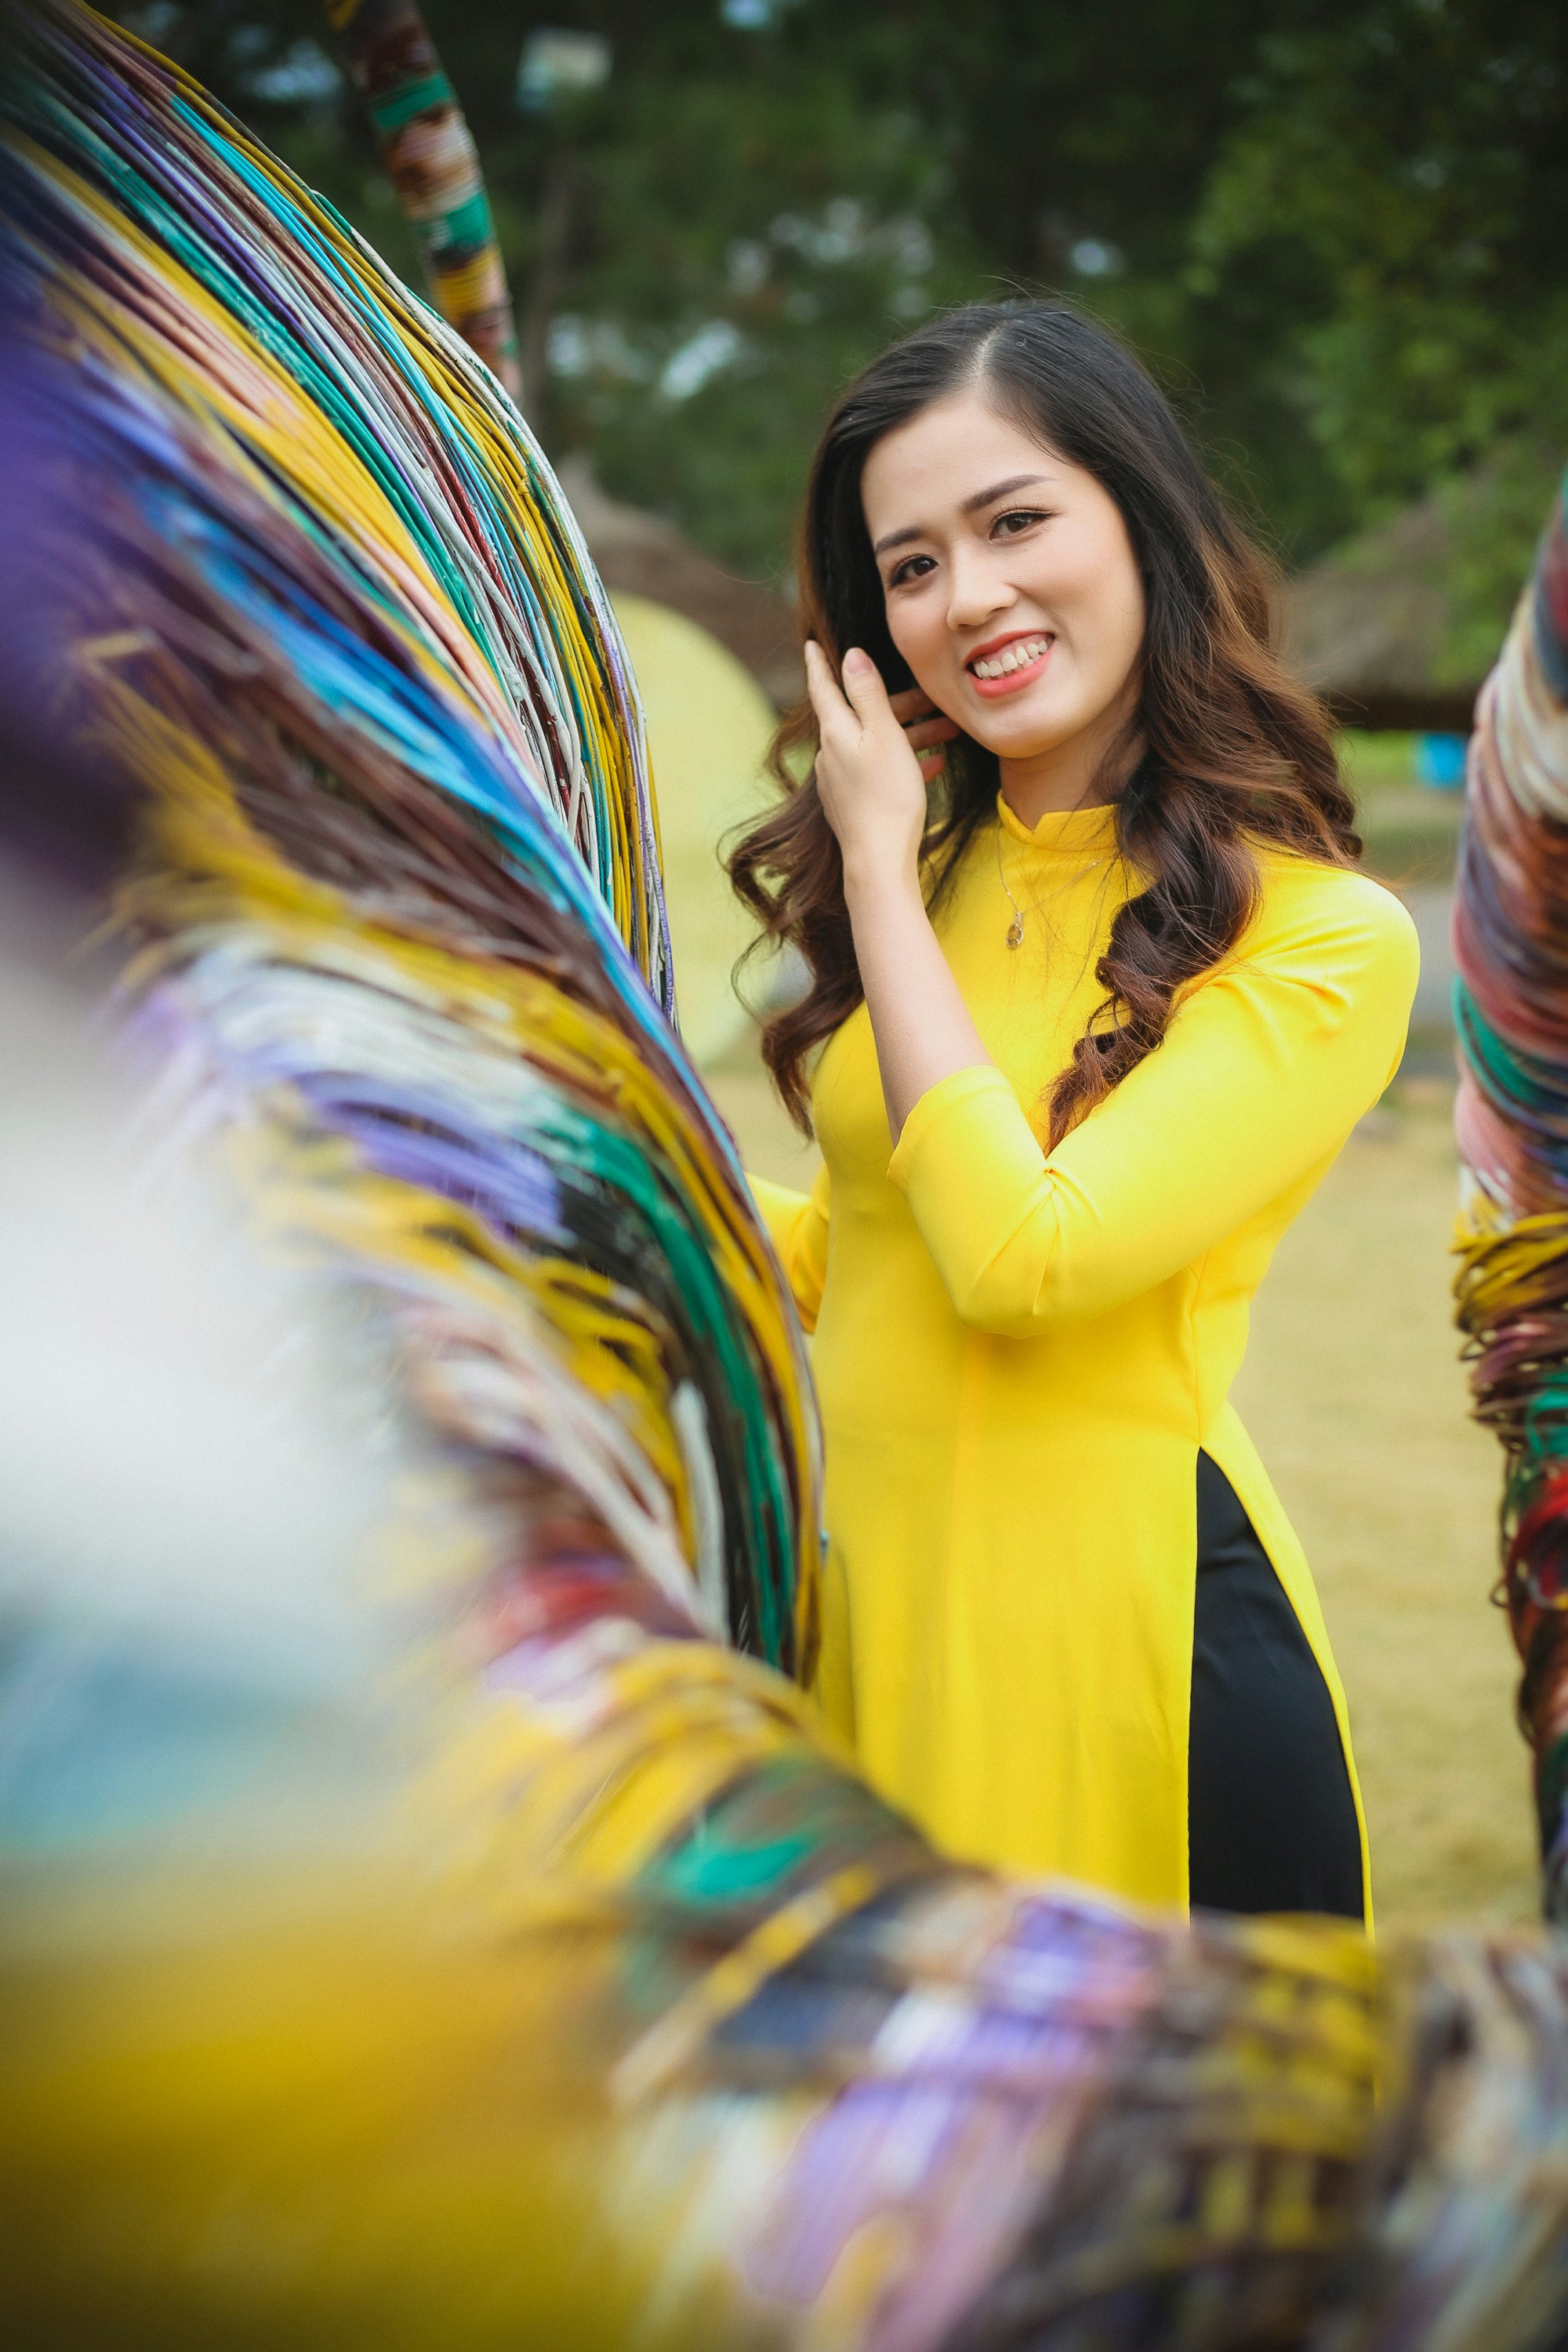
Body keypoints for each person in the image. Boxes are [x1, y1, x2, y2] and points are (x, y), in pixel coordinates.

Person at [729, 303, 1419, 1919]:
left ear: (1141, 521)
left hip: (1141, 1680)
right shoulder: (935, 877)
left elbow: (1018, 1261)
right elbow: (861, 1252)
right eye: (911, 566)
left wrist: (877, 873)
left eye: (1015, 522)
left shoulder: (1322, 937)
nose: (968, 597)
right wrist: (571, 1141)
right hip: (876, 1649)